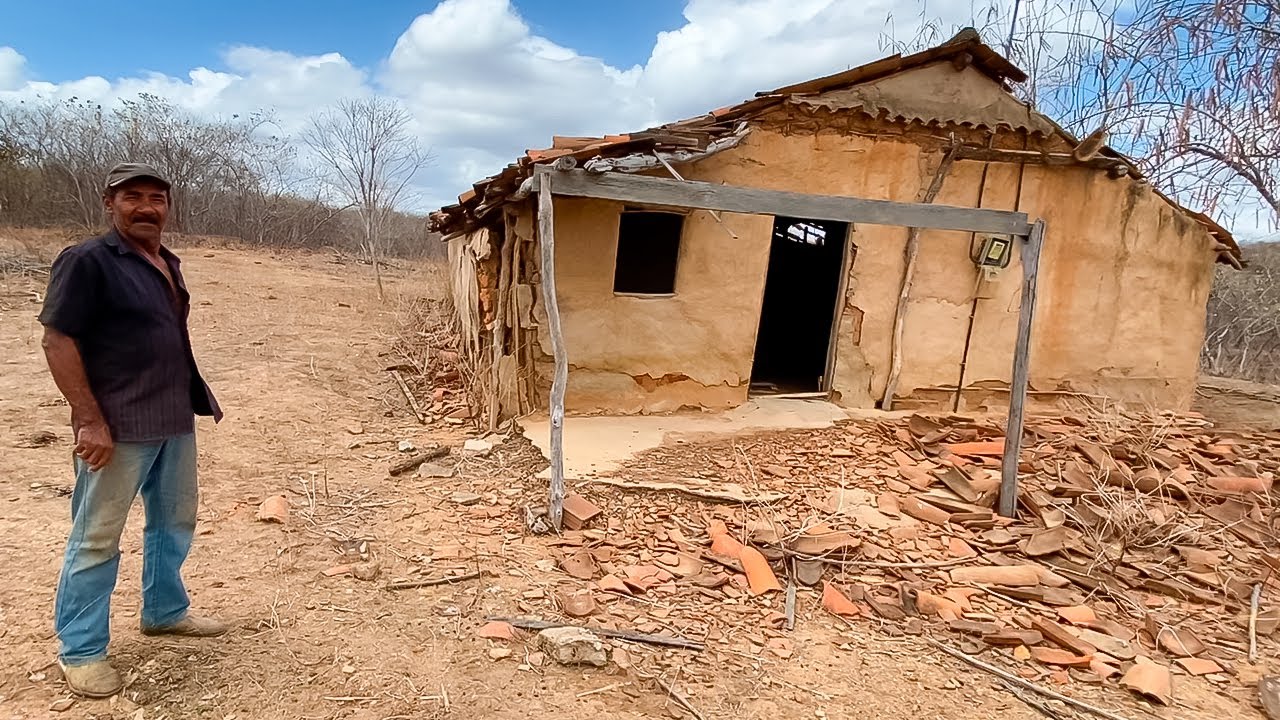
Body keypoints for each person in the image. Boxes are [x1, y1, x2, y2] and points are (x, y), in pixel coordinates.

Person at [38, 162, 226, 698]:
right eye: (133, 197)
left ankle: (165, 612)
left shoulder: (164, 259)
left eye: (157, 198)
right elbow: (58, 340)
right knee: (96, 537)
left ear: (169, 206)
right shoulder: (87, 261)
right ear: (109, 202)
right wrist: (88, 418)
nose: (147, 207)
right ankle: (81, 650)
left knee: (174, 522)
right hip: (116, 425)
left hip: (173, 416)